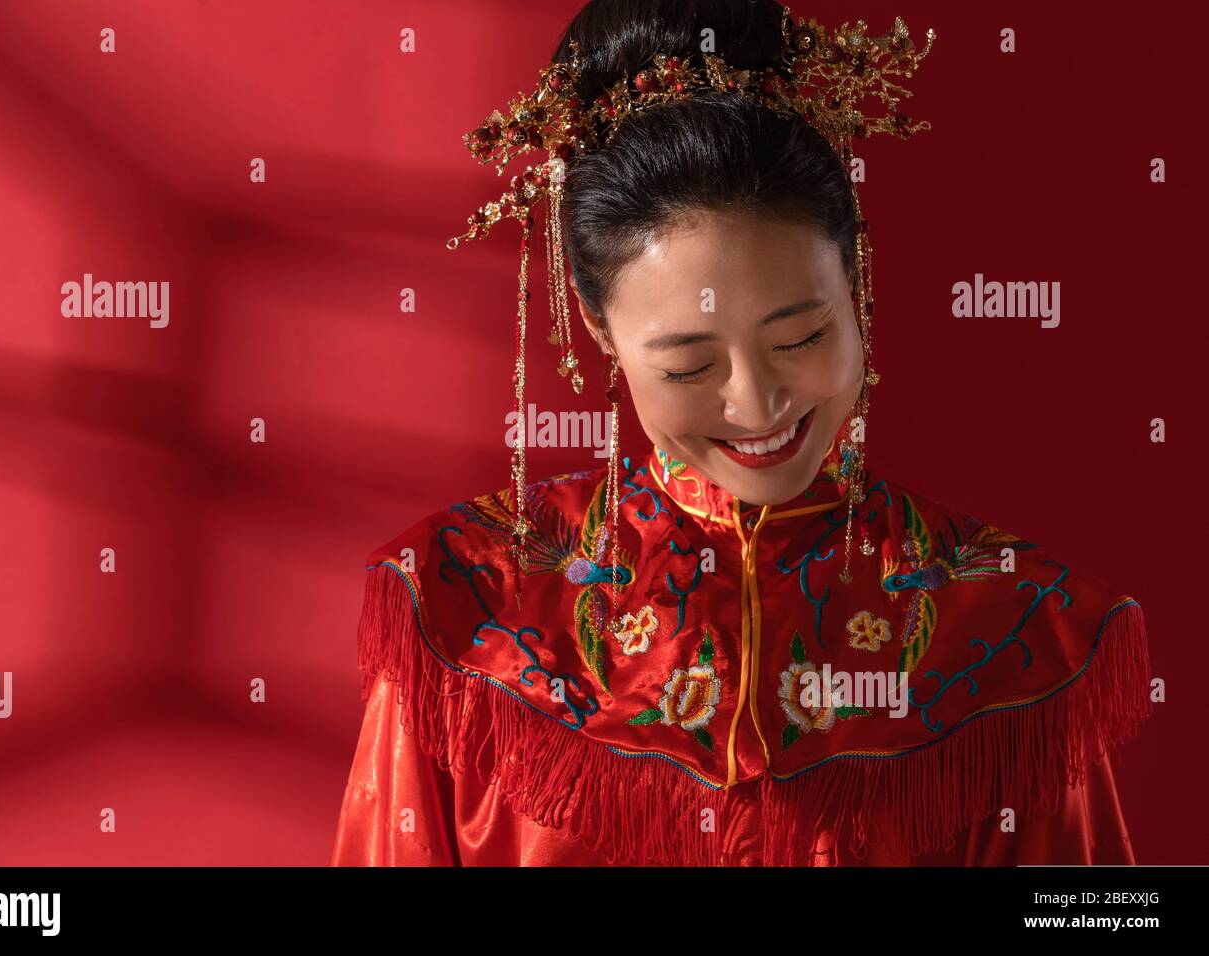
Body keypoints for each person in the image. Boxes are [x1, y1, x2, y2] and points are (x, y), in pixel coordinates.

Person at [328, 0, 1152, 866]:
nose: (758, 407)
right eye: (689, 366)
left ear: (856, 282)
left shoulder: (1011, 630)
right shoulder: (466, 611)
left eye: (801, 338)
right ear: (597, 325)